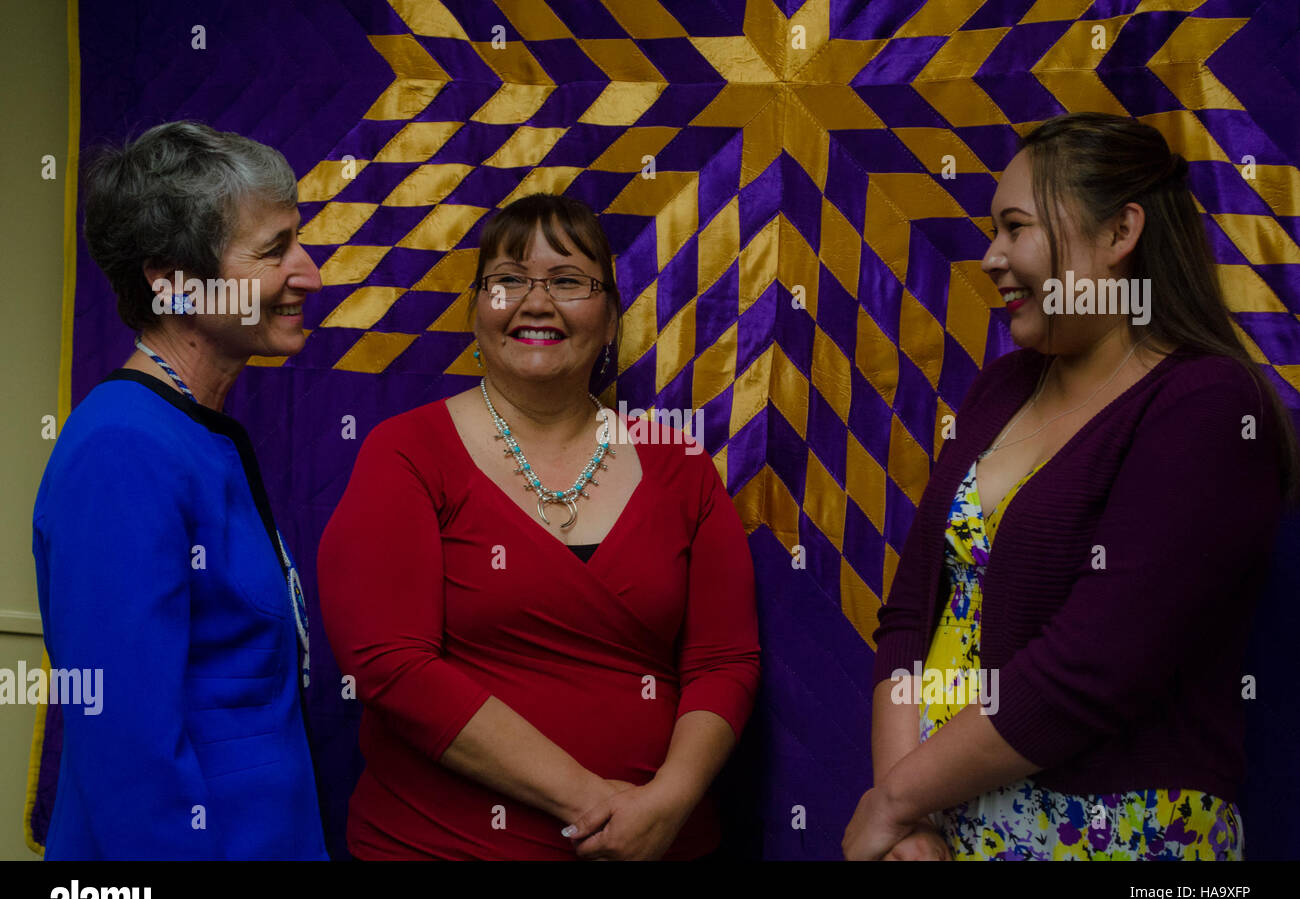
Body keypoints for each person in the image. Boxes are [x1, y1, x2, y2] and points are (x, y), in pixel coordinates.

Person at [843, 112, 1299, 861]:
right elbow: (909, 616)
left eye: (1015, 227)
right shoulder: (1001, 388)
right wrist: (908, 823)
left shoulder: (1209, 406)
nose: (990, 257)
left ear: (1121, 233)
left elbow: (1092, 670)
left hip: (1118, 839)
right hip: (938, 825)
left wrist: (891, 800)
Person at [317, 192, 760, 860]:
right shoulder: (404, 451)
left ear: (611, 320)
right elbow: (391, 666)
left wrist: (666, 802)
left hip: (658, 846)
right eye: (507, 281)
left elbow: (722, 660)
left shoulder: (682, 465)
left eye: (568, 281)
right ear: (475, 313)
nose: (535, 302)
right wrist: (594, 805)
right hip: (444, 847)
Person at [33, 120, 328, 859]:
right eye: (274, 251)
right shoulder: (124, 448)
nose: (311, 272)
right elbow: (128, 758)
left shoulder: (194, 430)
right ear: (170, 279)